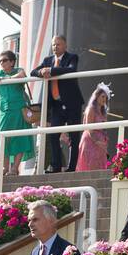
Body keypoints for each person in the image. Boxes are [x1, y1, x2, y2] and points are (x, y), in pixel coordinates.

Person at [0, 51, 36, 176]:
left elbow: (22, 75)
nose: (1, 63)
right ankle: (6, 167)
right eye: (0, 61)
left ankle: (14, 168)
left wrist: (6, 79)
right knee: (4, 139)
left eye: (4, 60)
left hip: (19, 110)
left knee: (20, 138)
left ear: (12, 62)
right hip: (4, 111)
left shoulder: (18, 70)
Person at [31, 35, 84, 173]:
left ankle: (71, 168)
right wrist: (42, 71)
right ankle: (56, 167)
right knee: (53, 135)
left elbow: (72, 69)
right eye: (54, 45)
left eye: (58, 44)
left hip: (72, 104)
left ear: (65, 45)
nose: (55, 47)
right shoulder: (47, 60)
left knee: (74, 136)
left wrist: (51, 71)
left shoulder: (72, 57)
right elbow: (33, 72)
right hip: (56, 105)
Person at [76, 83, 112, 172]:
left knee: (99, 167)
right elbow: (89, 128)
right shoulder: (91, 109)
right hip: (90, 141)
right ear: (97, 96)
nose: (104, 99)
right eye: (103, 96)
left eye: (106, 98)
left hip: (100, 144)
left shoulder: (103, 112)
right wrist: (97, 141)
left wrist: (104, 141)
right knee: (89, 167)